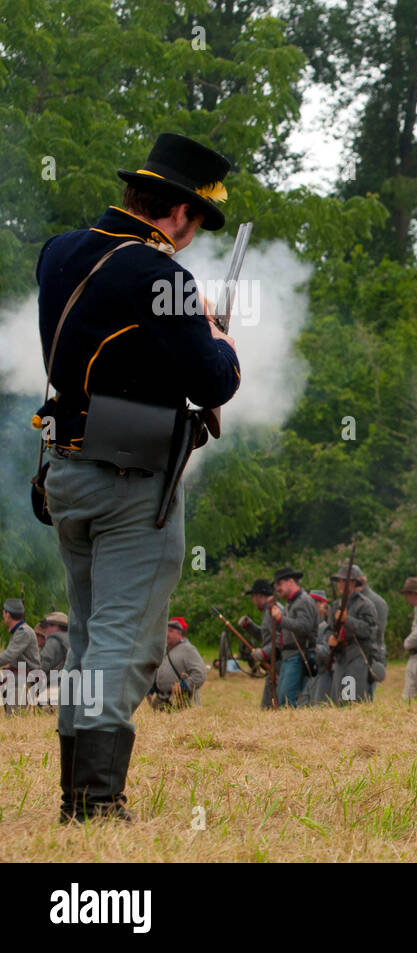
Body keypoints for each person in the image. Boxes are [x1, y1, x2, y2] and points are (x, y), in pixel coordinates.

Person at [34, 132, 239, 820]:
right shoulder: (159, 276)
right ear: (179, 211)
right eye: (197, 223)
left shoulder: (59, 250)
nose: (192, 239)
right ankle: (95, 800)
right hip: (130, 480)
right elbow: (213, 380)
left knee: (90, 636)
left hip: (64, 468)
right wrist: (219, 339)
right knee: (123, 640)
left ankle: (75, 793)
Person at [321, 563, 381, 704]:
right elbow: (328, 629)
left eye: (344, 581)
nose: (340, 584)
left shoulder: (365, 604)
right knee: (338, 700)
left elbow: (369, 631)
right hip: (340, 656)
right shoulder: (336, 605)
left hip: (357, 655)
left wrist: (347, 620)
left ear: (353, 583)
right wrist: (330, 639)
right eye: (340, 581)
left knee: (353, 700)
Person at [263, 567, 318, 708]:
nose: (277, 589)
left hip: (298, 655)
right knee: (282, 699)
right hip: (289, 656)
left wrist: (281, 619)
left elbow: (305, 627)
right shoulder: (291, 604)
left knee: (287, 700)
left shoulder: (303, 601)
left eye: (279, 584)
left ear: (291, 581)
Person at [147, 618, 207, 709]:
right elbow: (159, 671)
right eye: (166, 630)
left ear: (179, 634)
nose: (167, 634)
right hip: (161, 699)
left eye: (170, 631)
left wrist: (183, 686)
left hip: (181, 701)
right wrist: (151, 689)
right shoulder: (164, 649)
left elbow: (200, 674)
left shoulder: (188, 650)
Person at [241, 579, 278, 710]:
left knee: (269, 706)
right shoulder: (267, 611)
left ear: (259, 596)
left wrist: (263, 653)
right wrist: (250, 627)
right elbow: (266, 636)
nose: (252, 600)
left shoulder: (271, 610)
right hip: (274, 660)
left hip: (278, 661)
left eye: (253, 596)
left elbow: (278, 639)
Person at [358, 571, 389, 698]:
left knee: (364, 697)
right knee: (348, 698)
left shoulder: (377, 602)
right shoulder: (352, 600)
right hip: (353, 658)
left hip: (369, 656)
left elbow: (376, 634)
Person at [2, 598, 41, 677]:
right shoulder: (19, 631)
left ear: (8, 614)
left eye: (3, 612)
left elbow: (8, 655)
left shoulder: (23, 632)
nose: (3, 616)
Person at [305, 591, 332, 705]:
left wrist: (312, 647)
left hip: (322, 675)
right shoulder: (307, 626)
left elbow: (327, 652)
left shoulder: (327, 628)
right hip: (306, 677)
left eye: (315, 602)